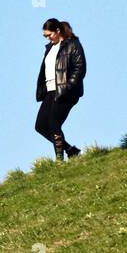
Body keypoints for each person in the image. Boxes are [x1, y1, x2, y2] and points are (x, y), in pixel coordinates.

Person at [34, 18, 86, 161]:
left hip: (65, 92)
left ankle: (59, 160)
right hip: (50, 92)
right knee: (41, 126)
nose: (48, 38)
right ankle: (71, 150)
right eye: (45, 36)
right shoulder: (49, 48)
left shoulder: (72, 45)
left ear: (57, 31)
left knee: (53, 124)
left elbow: (79, 68)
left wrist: (68, 87)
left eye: (49, 35)